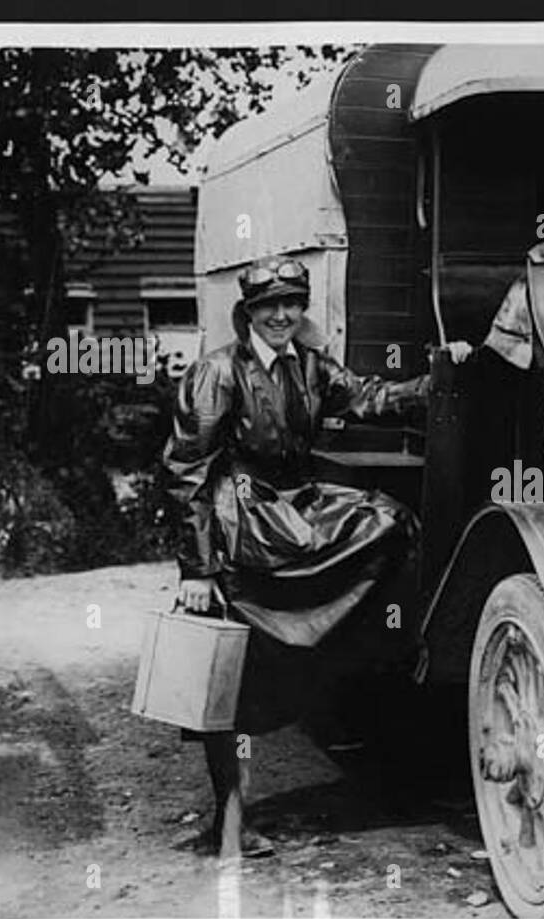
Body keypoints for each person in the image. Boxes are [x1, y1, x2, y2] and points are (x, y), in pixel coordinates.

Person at [162, 255, 470, 859]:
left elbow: (372, 398)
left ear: (302, 309)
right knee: (228, 675)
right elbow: (183, 474)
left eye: (291, 304)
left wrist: (442, 374)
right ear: (248, 312)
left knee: (390, 522)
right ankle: (229, 823)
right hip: (240, 522)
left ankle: (383, 646)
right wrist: (196, 571)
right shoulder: (218, 373)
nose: (281, 315)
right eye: (268, 306)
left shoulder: (310, 366)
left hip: (294, 512)